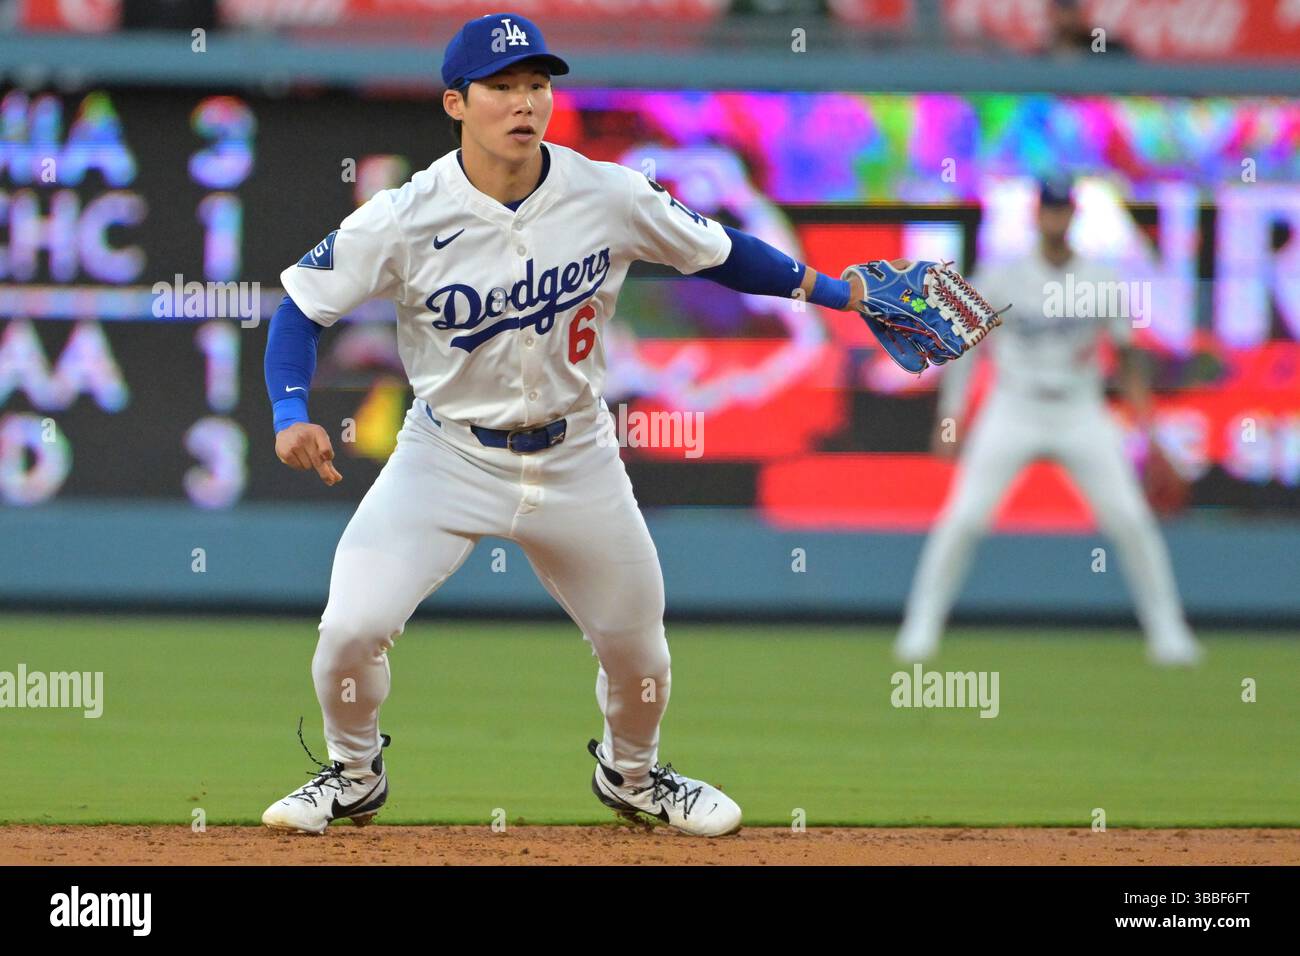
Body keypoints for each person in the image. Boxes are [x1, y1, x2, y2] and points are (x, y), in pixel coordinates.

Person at [259, 11, 874, 836]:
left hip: (576, 453)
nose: (525, 103)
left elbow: (719, 251)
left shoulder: (606, 192)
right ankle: (351, 775)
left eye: (537, 85)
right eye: (502, 87)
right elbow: (298, 307)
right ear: (455, 103)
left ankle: (635, 778)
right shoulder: (402, 215)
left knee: (638, 650)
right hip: (446, 455)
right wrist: (290, 411)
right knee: (350, 629)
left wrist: (839, 293)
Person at [894, 178, 1202, 667]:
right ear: (1036, 216)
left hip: (1080, 409)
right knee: (964, 518)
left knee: (1130, 519)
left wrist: (1151, 432)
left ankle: (1168, 633)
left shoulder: (1101, 278)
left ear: (1073, 216)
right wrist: (951, 417)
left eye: (1063, 211)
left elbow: (1127, 358)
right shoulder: (1002, 276)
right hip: (1013, 407)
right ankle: (920, 629)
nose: (1055, 219)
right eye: (1048, 210)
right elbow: (965, 352)